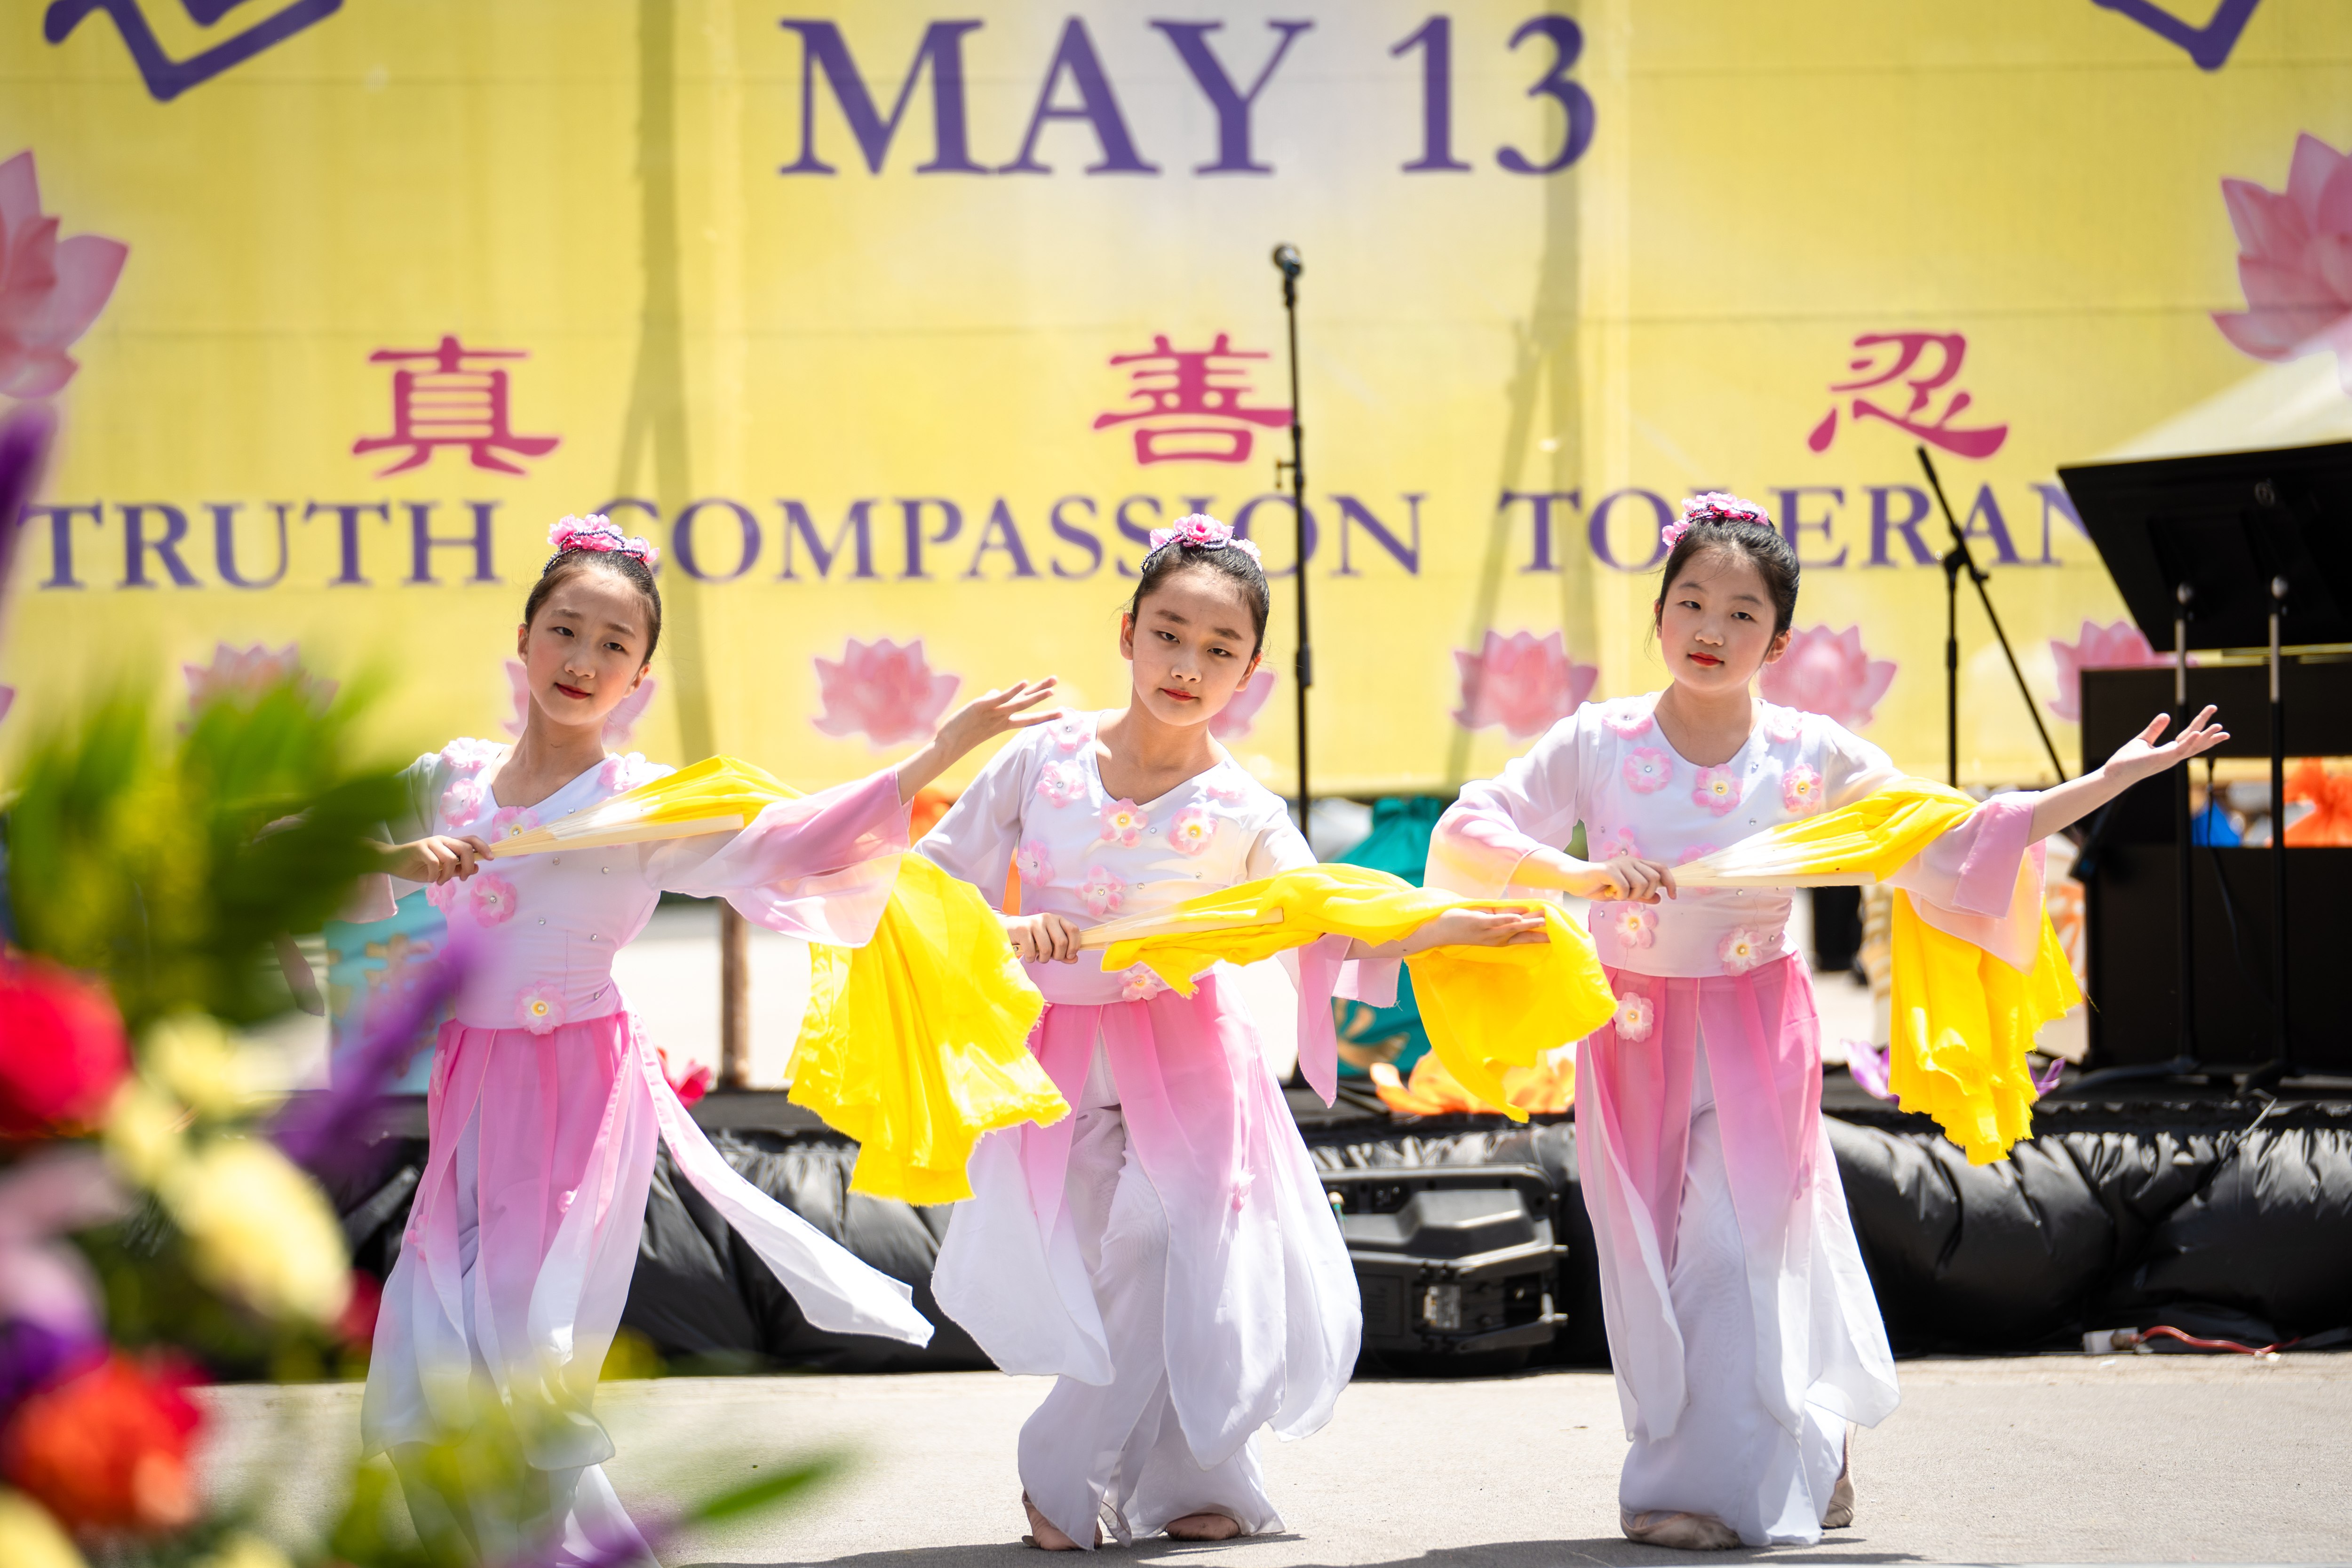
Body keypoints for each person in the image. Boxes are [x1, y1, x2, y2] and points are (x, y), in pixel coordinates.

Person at [1427, 493, 2226, 1551]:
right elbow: (1473, 826)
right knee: (1650, 1259)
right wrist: (1576, 870)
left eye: (1742, 612)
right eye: (1692, 602)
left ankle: (1707, 1490)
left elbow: (1956, 836)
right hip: (1628, 1029)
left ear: (1780, 640)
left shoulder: (1810, 754)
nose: (1711, 628)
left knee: (1736, 1247)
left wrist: (2103, 783)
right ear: (1658, 614)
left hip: (1758, 1026)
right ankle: (1800, 1437)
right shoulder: (1598, 740)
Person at [358, 515, 1063, 1564]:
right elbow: (286, 850)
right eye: (564, 630)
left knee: (532, 1345)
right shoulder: (448, 780)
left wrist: (938, 750)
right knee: (425, 1340)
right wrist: (393, 856)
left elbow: (804, 841)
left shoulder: (646, 805)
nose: (582, 660)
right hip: (472, 1087)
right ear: (523, 637)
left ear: (640, 675)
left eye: (612, 645)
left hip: (580, 1095)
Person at [921, 514, 1543, 1551]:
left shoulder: (1242, 807)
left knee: (1178, 1246)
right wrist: (1003, 925)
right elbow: (930, 885)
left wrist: (1451, 925)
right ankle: (1177, 1476)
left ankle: (1091, 1471)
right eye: (1170, 633)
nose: (1188, 664)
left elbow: (1327, 906)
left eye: (1220, 650)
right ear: (1126, 632)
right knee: (1092, 1257)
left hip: (1191, 1053)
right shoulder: (1041, 762)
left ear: (1250, 671)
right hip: (1058, 1048)